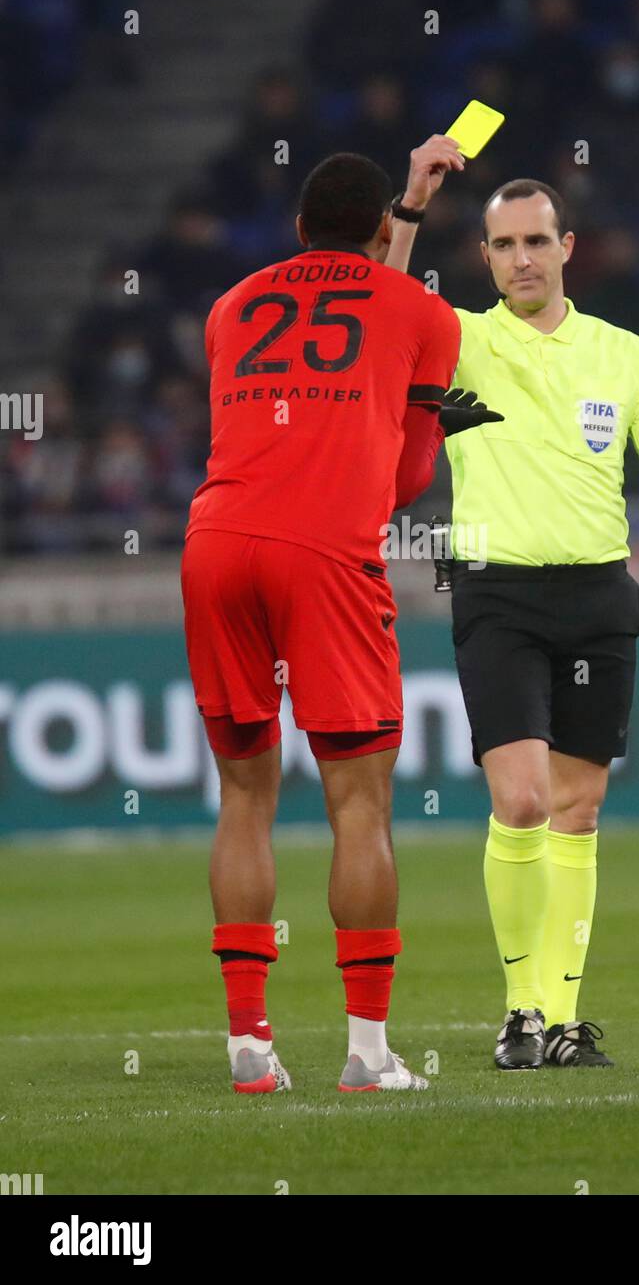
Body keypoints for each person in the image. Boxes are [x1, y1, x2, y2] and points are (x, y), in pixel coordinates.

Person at [387, 142, 639, 1071]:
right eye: (503, 245)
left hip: (598, 593)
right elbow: (380, 296)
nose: (522, 258)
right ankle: (519, 1010)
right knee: (521, 798)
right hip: (497, 591)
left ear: (568, 246)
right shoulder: (460, 341)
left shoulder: (623, 354)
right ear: (484, 258)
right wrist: (412, 199)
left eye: (537, 240)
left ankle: (554, 1019)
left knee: (577, 811)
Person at [181, 149, 466, 1094]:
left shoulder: (230, 308)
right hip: (324, 558)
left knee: (245, 794)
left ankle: (249, 1048)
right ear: (383, 234)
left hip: (216, 544)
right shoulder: (424, 314)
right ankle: (367, 1053)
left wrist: (407, 210)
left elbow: (328, 333)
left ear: (300, 230)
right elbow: (405, 481)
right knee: (359, 801)